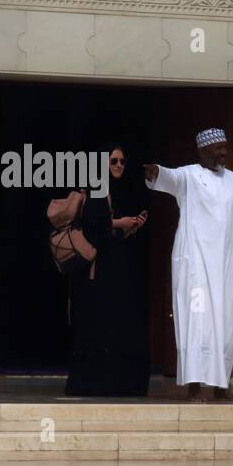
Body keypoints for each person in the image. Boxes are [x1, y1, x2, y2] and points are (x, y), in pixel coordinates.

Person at [143, 128, 233, 403]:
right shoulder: (188, 176)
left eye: (225, 147)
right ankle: (193, 387)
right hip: (196, 264)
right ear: (202, 151)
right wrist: (156, 171)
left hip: (226, 266)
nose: (224, 153)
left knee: (226, 323)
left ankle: (221, 386)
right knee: (196, 322)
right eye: (217, 148)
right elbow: (170, 177)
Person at [64, 143, 150, 397]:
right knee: (100, 326)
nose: (119, 166)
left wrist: (129, 227)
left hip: (106, 273)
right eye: (114, 161)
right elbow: (94, 228)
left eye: (122, 161)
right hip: (95, 276)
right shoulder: (97, 188)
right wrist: (120, 223)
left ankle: (110, 383)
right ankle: (96, 383)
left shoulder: (109, 190)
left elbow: (107, 234)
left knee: (111, 326)